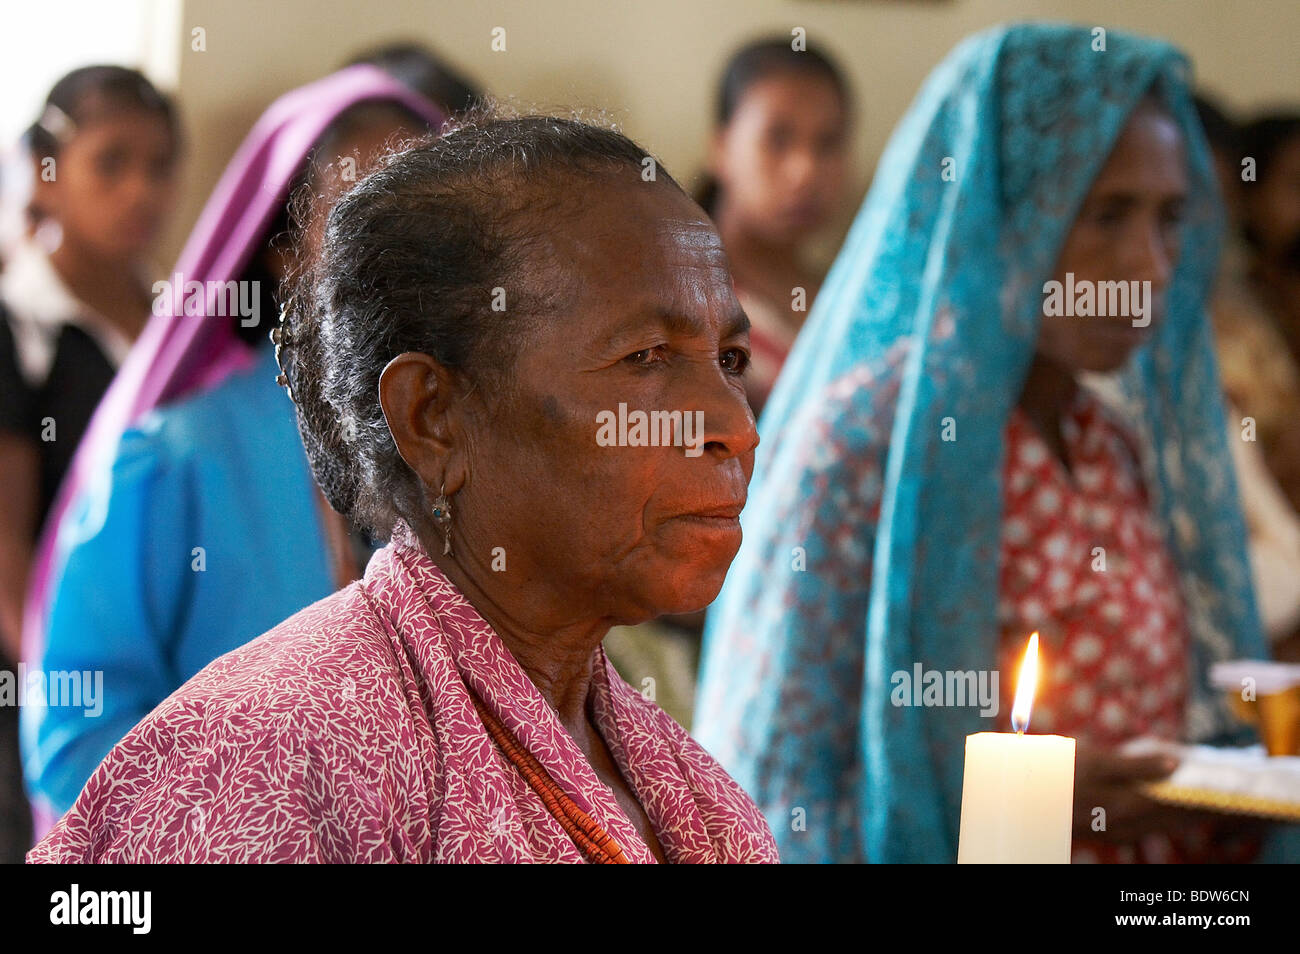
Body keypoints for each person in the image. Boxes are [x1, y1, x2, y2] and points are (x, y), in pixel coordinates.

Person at [28, 113, 779, 864]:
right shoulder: (263, 763)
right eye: (644, 356)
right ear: (433, 418)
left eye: (732, 359)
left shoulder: (685, 784)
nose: (733, 428)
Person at [694, 23, 1293, 863]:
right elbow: (767, 793)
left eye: (1170, 221)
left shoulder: (1107, 443)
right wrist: (1018, 807)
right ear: (999, 215)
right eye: (1108, 214)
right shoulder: (871, 442)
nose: (1152, 266)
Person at [19, 66, 443, 838]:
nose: (405, 253)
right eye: (364, 214)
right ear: (285, 254)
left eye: (430, 221)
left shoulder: (464, 450)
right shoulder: (177, 455)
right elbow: (76, 725)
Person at [0, 65, 180, 864]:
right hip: (50, 694)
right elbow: (8, 550)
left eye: (159, 165)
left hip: (165, 675)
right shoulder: (20, 332)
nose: (140, 190)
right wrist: (68, 696)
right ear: (49, 169)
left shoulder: (182, 332)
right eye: (112, 162)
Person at [695, 37, 851, 413]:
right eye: (777, 139)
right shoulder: (685, 301)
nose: (806, 171)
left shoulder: (847, 297)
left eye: (828, 143)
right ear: (722, 148)